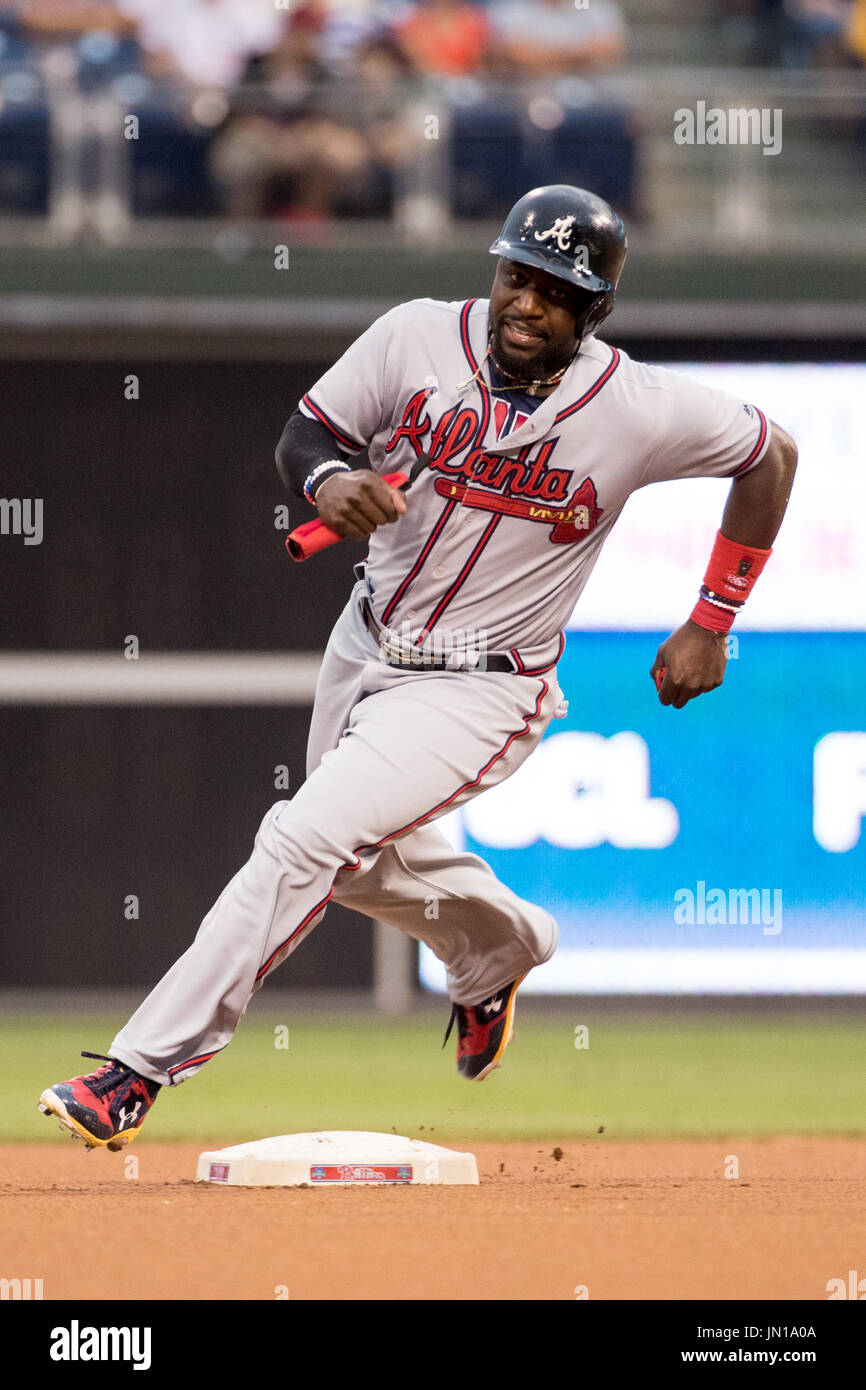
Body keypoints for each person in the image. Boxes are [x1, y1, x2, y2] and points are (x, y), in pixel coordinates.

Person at [39, 185, 797, 1151]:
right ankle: (500, 948)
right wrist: (329, 480)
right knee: (354, 867)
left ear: (595, 307)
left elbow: (771, 456)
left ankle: (134, 1072)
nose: (526, 301)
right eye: (516, 274)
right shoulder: (414, 338)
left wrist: (714, 618)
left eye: (556, 289)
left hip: (483, 682)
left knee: (302, 839)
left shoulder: (640, 407)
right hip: (364, 642)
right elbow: (306, 434)